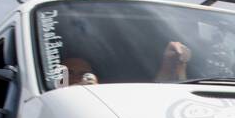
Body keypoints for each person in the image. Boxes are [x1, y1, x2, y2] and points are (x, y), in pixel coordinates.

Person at [58, 40, 192, 87]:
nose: (76, 78)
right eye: (68, 73)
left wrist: (173, 64)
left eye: (84, 74)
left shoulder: (104, 101)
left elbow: (151, 99)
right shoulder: (46, 99)